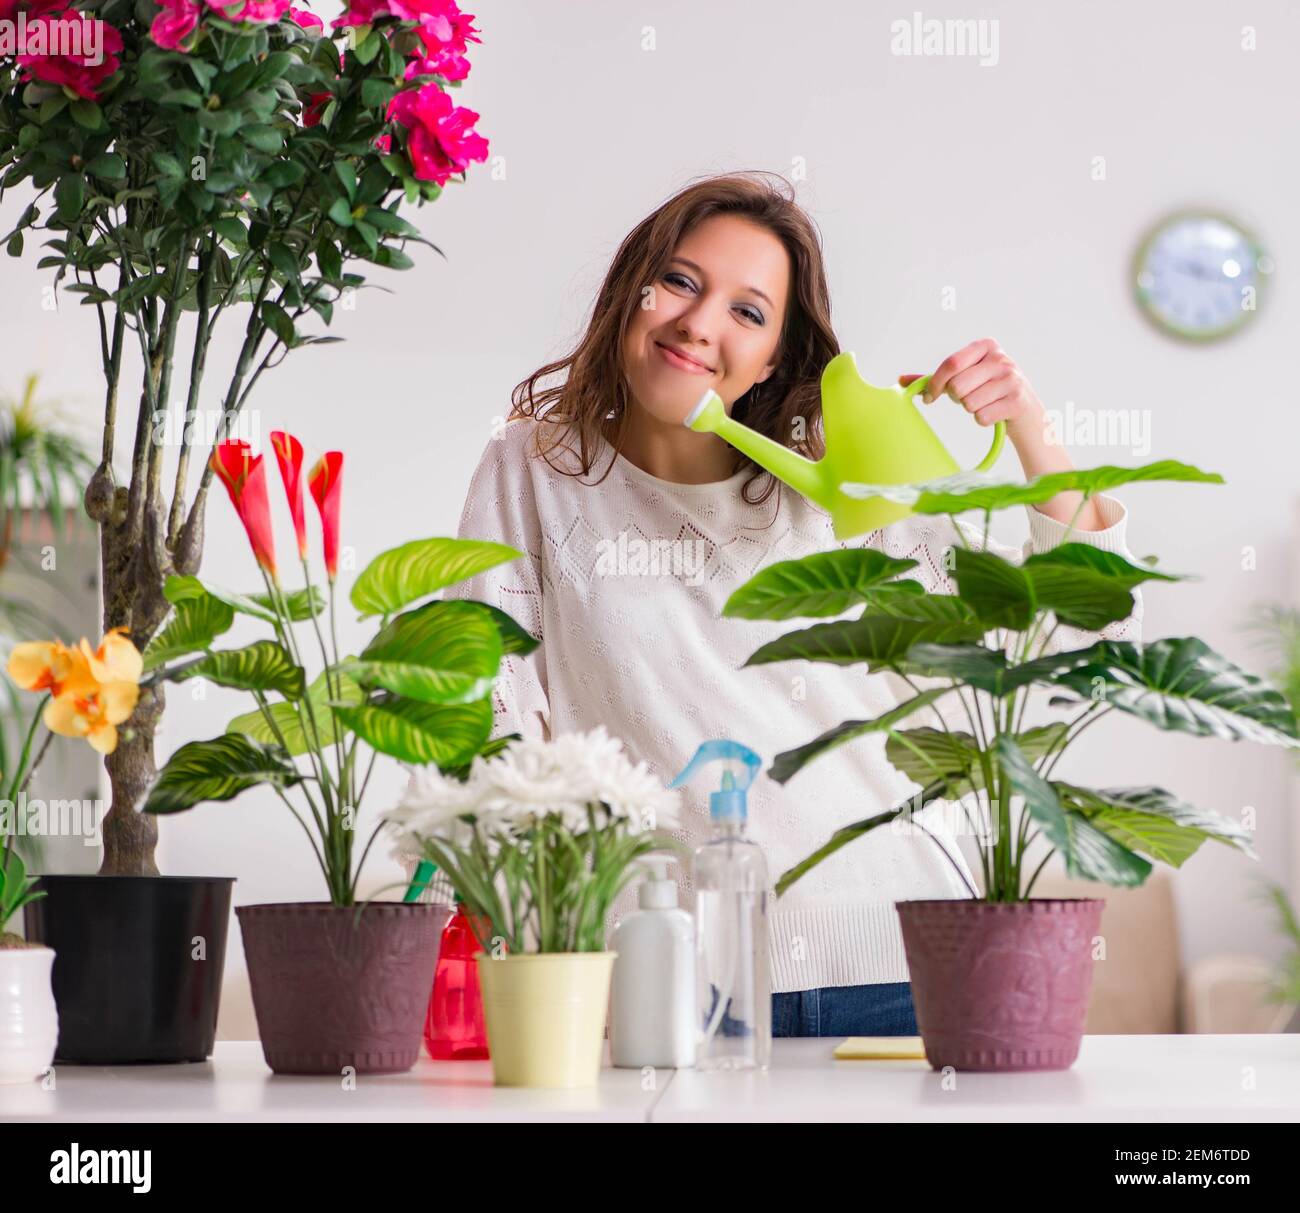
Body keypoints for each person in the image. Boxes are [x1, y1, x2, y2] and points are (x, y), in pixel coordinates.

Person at [401, 171, 1141, 1038]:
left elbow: (1086, 624)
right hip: (662, 973)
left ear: (776, 357)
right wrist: (460, 917)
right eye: (680, 280)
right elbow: (482, 705)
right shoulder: (538, 466)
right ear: (631, 290)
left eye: (748, 312)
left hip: (894, 958)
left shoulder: (845, 478)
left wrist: (1030, 431)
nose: (699, 324)